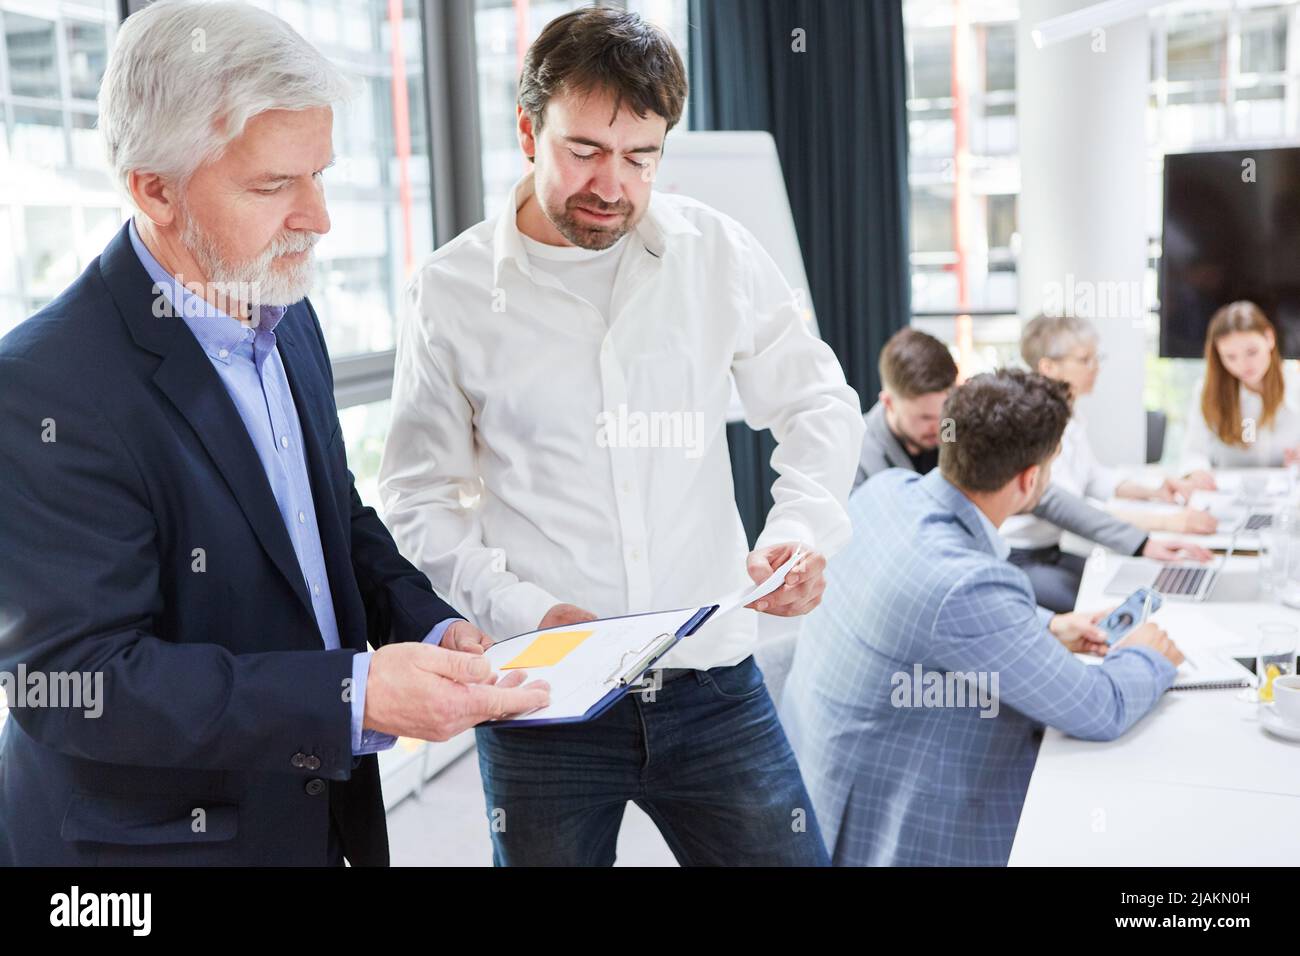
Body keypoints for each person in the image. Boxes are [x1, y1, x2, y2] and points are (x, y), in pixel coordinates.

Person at [0, 0, 547, 867]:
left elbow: (335, 517)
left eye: (321, 173)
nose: (319, 217)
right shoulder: (41, 385)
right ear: (153, 189)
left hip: (318, 820)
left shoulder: (285, 312)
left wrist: (433, 627)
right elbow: (80, 683)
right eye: (273, 185)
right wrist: (354, 694)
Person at [379, 7, 863, 866]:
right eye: (585, 151)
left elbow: (817, 400)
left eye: (640, 156)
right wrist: (527, 613)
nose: (613, 183)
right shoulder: (450, 293)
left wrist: (799, 532)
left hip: (713, 681)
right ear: (528, 130)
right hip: (542, 693)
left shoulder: (714, 252)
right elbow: (419, 497)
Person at [781, 369, 1184, 867]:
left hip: (824, 784)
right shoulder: (966, 585)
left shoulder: (883, 492)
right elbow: (1101, 709)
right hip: (903, 829)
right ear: (1030, 479)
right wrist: (1148, 653)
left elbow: (922, 612)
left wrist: (1045, 627)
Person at [861, 327, 1210, 613]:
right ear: (888, 402)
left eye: (943, 414)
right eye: (924, 417)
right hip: (929, 591)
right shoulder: (862, 462)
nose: (939, 428)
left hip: (983, 565)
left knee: (1128, 591)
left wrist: (1140, 542)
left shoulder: (951, 427)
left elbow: (1044, 494)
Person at [1004, 315, 1213, 611]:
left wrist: (1154, 490)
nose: (1096, 367)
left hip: (1052, 551)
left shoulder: (1071, 417)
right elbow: (1071, 509)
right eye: (1085, 360)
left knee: (1142, 587)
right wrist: (1166, 524)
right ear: (1048, 367)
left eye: (1095, 357)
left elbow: (1094, 479)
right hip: (1021, 558)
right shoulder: (1035, 426)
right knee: (1109, 607)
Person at [1181, 300, 1300, 474]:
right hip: (1224, 494)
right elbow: (1193, 453)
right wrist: (1197, 472)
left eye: (1252, 352)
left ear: (1269, 338)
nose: (1243, 365)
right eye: (1230, 357)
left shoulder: (1295, 385)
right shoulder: (1207, 391)